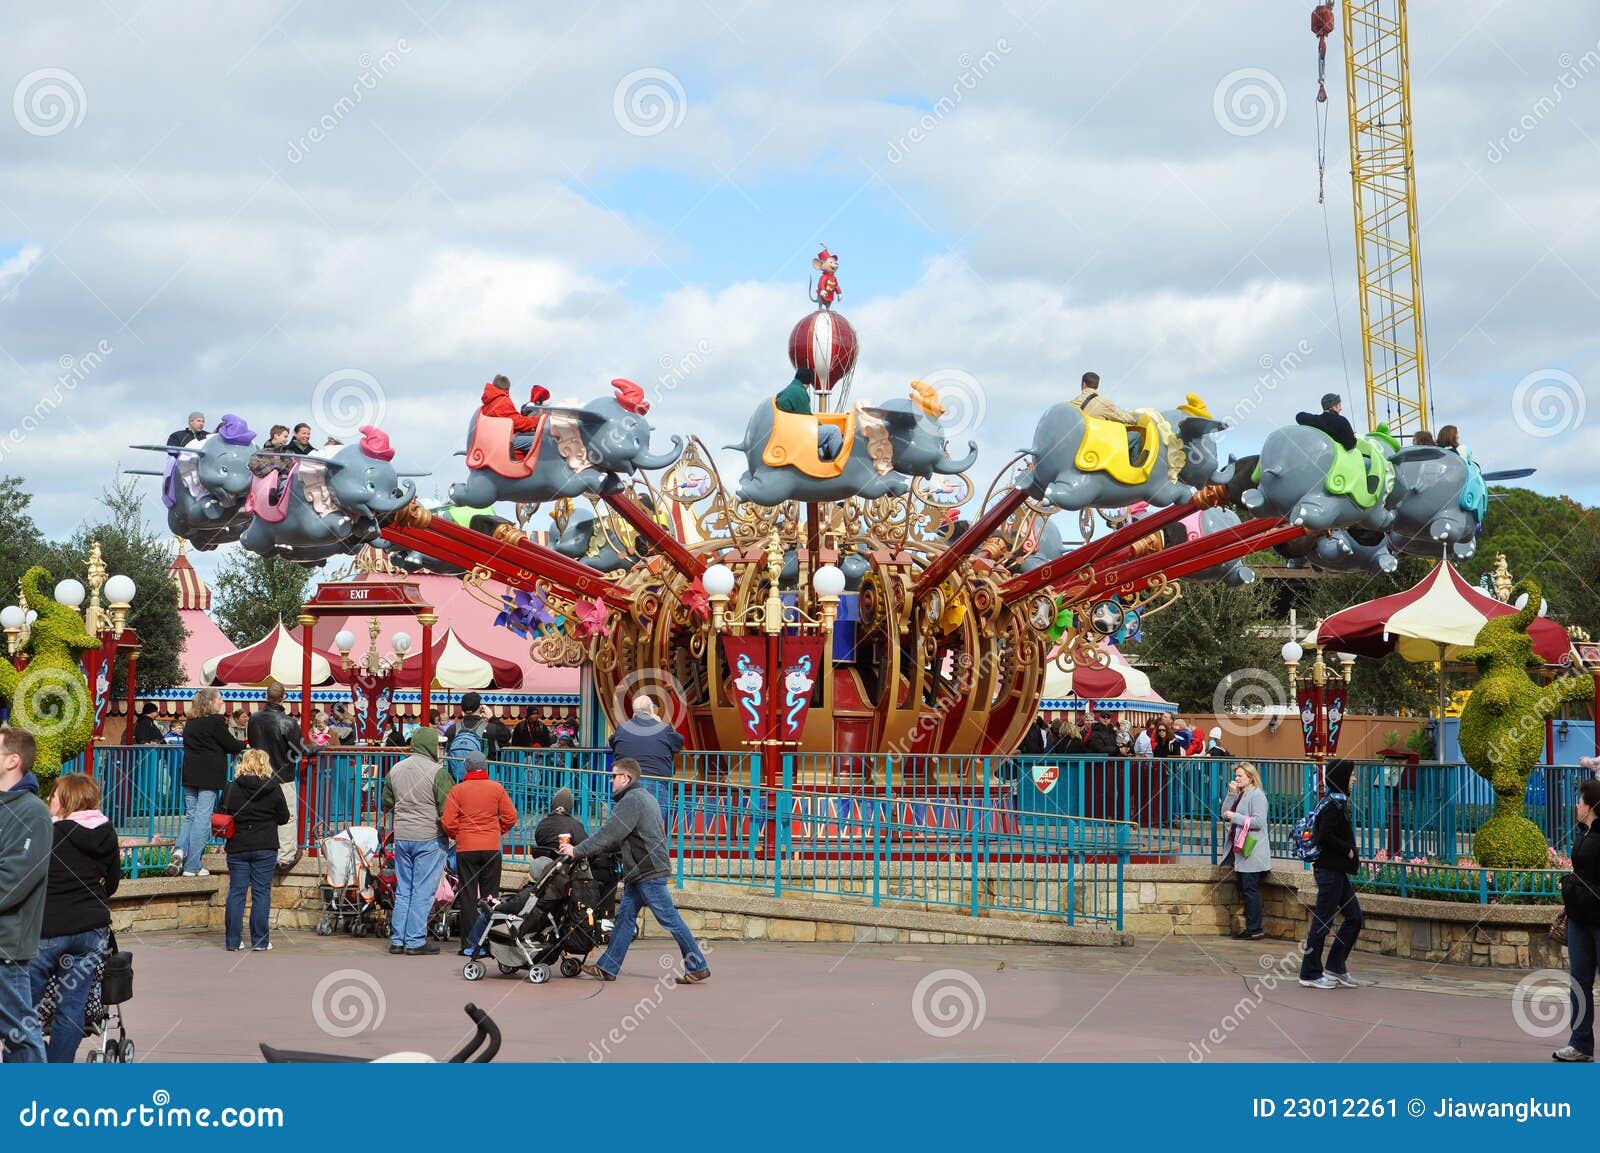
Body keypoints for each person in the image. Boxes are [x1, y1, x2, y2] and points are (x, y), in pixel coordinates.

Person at [560, 758, 709, 984]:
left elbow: (609, 834)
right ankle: (608, 967)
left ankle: (698, 965)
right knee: (624, 920)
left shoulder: (632, 801)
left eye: (613, 776)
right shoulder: (644, 797)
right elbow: (618, 837)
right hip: (641, 872)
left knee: (669, 919)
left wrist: (577, 850)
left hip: (647, 872)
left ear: (625, 778)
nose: (611, 781)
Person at [28, 772, 119, 1062]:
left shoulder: (47, 831)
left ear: (66, 800)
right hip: (91, 929)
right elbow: (113, 881)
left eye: (53, 795)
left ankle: (34, 1061)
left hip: (48, 927)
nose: (48, 800)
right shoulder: (105, 831)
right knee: (72, 1005)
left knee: (22, 1005)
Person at [0, 729, 52, 1063]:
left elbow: (13, 880)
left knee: (19, 1034)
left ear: (12, 760)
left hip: (5, 946)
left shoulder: (32, 812)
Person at [441, 751, 518, 957]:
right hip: (491, 846)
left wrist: (460, 833)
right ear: (485, 767)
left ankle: (469, 944)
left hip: (466, 847)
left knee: (467, 896)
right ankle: (489, 943)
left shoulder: (458, 790)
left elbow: (448, 822)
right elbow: (511, 817)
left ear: (466, 768)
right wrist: (497, 830)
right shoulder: (497, 788)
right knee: (490, 896)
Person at [382, 727, 452, 956]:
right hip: (429, 836)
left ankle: (398, 939)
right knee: (423, 890)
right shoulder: (438, 772)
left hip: (402, 835)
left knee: (404, 889)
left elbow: (386, 802)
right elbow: (447, 807)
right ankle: (415, 940)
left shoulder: (396, 769)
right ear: (430, 745)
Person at [1299, 758, 1363, 989]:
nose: (1354, 779)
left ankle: (1335, 966)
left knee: (1354, 918)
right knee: (1322, 923)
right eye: (1351, 775)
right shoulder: (1333, 806)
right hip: (1329, 872)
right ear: (1341, 778)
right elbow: (1324, 835)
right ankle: (1310, 973)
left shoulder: (1335, 802)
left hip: (1337, 872)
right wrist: (1346, 848)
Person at [169, 687, 246, 878]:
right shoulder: (215, 722)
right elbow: (230, 744)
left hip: (190, 773)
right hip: (209, 775)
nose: (222, 702)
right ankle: (193, 864)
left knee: (191, 816)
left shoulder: (191, 723)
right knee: (203, 819)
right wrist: (243, 744)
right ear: (211, 702)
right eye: (219, 699)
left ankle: (179, 850)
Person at [217, 749, 288, 952]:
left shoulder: (231, 788)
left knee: (236, 893)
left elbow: (223, 812)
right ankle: (260, 941)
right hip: (265, 844)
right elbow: (284, 817)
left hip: (238, 844)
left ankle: (232, 940)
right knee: (261, 893)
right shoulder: (273, 788)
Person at [1554, 778, 1600, 1062]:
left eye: (1580, 801)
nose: (1576, 805)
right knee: (1579, 981)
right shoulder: (1584, 832)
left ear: (1591, 805)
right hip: (1580, 919)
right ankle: (1580, 1043)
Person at [247, 683, 305, 874]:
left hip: (259, 773)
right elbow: (299, 749)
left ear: (266, 696)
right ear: (283, 697)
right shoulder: (288, 722)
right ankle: (285, 858)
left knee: (263, 814)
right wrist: (319, 748)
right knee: (287, 815)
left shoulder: (254, 719)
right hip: (283, 774)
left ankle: (262, 851)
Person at [609, 694, 683, 816]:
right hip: (655, 781)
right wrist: (658, 722)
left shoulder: (622, 729)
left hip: (627, 781)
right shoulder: (663, 729)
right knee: (653, 824)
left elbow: (613, 741)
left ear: (634, 711)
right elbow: (678, 742)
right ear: (651, 710)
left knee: (625, 824)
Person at [1221, 761, 1270, 941]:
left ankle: (1254, 928)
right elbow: (1224, 812)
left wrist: (1236, 817)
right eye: (1236, 775)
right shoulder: (1240, 794)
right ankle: (1252, 927)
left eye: (1240, 775)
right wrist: (1231, 794)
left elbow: (1258, 822)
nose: (1237, 778)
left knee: (1250, 889)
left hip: (1252, 851)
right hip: (1240, 850)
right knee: (1245, 888)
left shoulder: (1257, 796)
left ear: (1250, 777)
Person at [775, 367, 842, 461]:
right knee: (834, 430)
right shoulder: (800, 392)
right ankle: (840, 463)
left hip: (786, 432)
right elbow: (807, 419)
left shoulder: (785, 391)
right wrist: (820, 424)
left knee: (825, 440)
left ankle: (824, 460)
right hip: (799, 435)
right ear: (808, 382)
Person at [479, 374, 542, 456]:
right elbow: (517, 423)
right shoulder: (502, 401)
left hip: (495, 440)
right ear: (507, 389)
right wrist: (539, 420)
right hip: (503, 441)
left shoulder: (489, 402)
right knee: (542, 441)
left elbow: (509, 418)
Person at [445, 691, 499, 779]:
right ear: (480, 708)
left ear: (462, 709)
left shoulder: (453, 729)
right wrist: (492, 717)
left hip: (457, 781)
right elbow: (506, 736)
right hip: (484, 781)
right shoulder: (491, 728)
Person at [1072, 371, 1139, 426]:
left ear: (1083, 384)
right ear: (1097, 386)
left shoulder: (1071, 404)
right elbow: (1125, 418)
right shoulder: (1103, 402)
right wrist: (1136, 420)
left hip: (1075, 441)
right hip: (1096, 440)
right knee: (1136, 436)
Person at [534, 787, 587, 851]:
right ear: (570, 806)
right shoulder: (575, 825)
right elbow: (584, 846)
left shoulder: (542, 823)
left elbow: (539, 841)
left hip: (545, 858)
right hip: (566, 860)